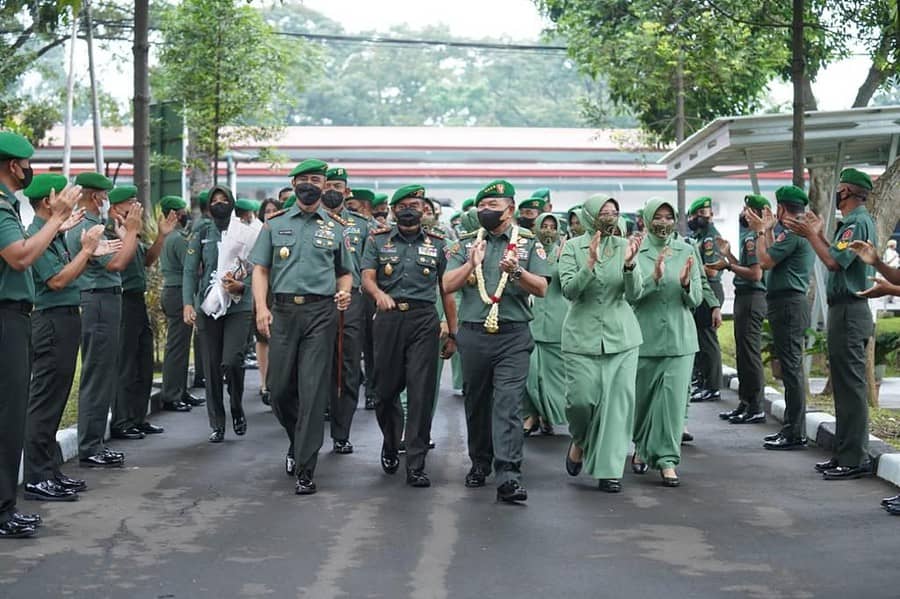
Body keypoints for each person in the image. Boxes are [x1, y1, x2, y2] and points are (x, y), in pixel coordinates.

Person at [250, 159, 353, 495]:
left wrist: (344, 292)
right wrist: (262, 307)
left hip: (321, 314)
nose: (311, 185)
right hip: (282, 313)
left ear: (325, 187)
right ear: (294, 184)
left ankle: (306, 467)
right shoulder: (274, 224)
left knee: (312, 390)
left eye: (317, 180)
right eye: (305, 179)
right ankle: (298, 438)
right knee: (278, 390)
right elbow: (260, 269)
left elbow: (345, 271)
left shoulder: (336, 228)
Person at [443, 179, 550, 503]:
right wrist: (470, 264)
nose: (486, 211)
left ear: (511, 209)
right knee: (477, 402)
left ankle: (508, 475)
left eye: (493, 206)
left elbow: (542, 288)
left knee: (508, 403)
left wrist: (516, 272)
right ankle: (480, 462)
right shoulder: (465, 244)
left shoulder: (528, 244)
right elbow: (447, 284)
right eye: (483, 206)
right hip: (475, 332)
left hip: (513, 335)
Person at [0, 132, 80, 538]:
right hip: (7, 317)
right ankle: (5, 508)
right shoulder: (2, 207)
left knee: (12, 412)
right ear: (14, 166)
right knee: (11, 413)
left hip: (17, 317)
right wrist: (55, 221)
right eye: (24, 163)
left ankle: (7, 506)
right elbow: (20, 257)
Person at [24, 174, 121, 502]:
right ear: (47, 202)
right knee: (45, 401)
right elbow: (57, 281)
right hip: (50, 321)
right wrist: (87, 252)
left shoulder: (51, 235)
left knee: (55, 400)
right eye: (61, 195)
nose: (69, 199)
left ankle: (49, 470)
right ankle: (37, 476)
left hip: (64, 319)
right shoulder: (37, 234)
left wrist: (86, 252)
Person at [362, 185, 457, 487]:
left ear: (423, 209)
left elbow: (447, 289)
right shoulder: (377, 241)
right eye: (402, 204)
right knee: (384, 391)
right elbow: (367, 277)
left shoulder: (439, 245)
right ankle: (391, 442)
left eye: (414, 204)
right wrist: (378, 294)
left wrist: (452, 330)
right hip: (388, 320)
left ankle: (416, 462)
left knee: (420, 393)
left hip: (423, 320)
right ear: (392, 210)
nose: (408, 209)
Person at [786, 169, 877, 479]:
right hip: (844, 311)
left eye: (840, 189)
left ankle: (855, 458)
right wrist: (818, 234)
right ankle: (844, 452)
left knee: (851, 388)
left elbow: (834, 262)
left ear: (849, 191)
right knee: (843, 386)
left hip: (851, 311)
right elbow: (835, 252)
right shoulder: (851, 224)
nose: (837, 194)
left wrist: (812, 235)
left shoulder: (857, 222)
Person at [558, 196, 642, 493]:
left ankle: (609, 470)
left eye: (614, 212)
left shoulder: (625, 246)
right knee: (581, 401)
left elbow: (635, 295)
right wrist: (589, 264)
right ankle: (580, 439)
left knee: (616, 407)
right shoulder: (571, 247)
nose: (609, 217)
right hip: (581, 336)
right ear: (590, 216)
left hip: (622, 338)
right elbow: (569, 290)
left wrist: (631, 265)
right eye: (603, 213)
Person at [68, 172, 141, 467]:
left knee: (102, 373)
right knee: (97, 375)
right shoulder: (89, 228)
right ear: (97, 196)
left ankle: (94, 442)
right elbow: (118, 263)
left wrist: (127, 234)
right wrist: (133, 231)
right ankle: (90, 446)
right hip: (98, 300)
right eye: (105, 195)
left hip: (105, 299)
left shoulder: (92, 224)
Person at [631, 197, 702, 487]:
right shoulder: (635, 251)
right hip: (643, 338)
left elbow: (695, 298)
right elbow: (630, 295)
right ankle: (641, 448)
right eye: (657, 217)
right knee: (643, 402)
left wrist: (686, 283)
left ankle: (668, 460)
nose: (663, 223)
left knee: (672, 404)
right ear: (647, 219)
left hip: (679, 340)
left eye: (668, 217)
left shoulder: (687, 250)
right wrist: (654, 278)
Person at [742, 187, 813, 447]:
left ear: (782, 209)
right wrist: (769, 230)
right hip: (785, 303)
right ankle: (791, 429)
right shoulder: (793, 232)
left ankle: (795, 432)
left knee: (791, 370)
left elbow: (764, 260)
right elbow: (773, 253)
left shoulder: (796, 232)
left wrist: (761, 230)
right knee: (789, 367)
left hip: (789, 304)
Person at [183, 185, 254, 443]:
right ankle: (218, 422)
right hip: (209, 305)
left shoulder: (244, 232)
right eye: (215, 200)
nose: (220, 204)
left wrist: (242, 285)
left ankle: (236, 407)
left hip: (239, 303)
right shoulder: (202, 231)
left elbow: (256, 267)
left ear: (232, 203)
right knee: (211, 365)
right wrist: (188, 303)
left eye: (225, 200)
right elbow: (190, 270)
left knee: (232, 360)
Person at [109, 186, 177, 440]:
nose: (136, 208)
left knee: (142, 362)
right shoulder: (113, 234)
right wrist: (130, 233)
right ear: (115, 209)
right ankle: (122, 420)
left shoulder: (131, 234)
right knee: (125, 364)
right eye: (130, 204)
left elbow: (147, 260)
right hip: (123, 300)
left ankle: (138, 417)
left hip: (137, 301)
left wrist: (161, 236)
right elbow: (119, 264)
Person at [322, 167, 368, 454]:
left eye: (338, 185)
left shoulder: (362, 226)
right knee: (316, 365)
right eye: (328, 184)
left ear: (346, 191)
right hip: (317, 299)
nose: (332, 190)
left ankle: (341, 432)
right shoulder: (309, 221)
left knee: (347, 367)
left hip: (351, 301)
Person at [716, 194, 770, 425]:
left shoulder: (754, 237)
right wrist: (728, 255)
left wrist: (728, 266)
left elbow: (755, 274)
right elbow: (745, 266)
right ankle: (745, 403)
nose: (742, 213)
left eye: (746, 209)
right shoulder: (748, 236)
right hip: (745, 297)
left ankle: (755, 405)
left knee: (749, 354)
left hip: (752, 297)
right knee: (743, 353)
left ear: (756, 213)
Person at [523, 212, 568, 436]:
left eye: (553, 226)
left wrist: (560, 259)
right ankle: (532, 414)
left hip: (557, 323)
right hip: (530, 320)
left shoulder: (567, 251)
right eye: (544, 226)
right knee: (530, 375)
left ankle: (547, 416)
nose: (548, 230)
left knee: (552, 378)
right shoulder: (530, 250)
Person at [159, 195, 200, 413]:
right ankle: (172, 395)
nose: (186, 214)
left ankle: (180, 390)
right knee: (177, 347)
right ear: (174, 214)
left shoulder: (173, 237)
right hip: (178, 294)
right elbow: (192, 268)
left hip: (173, 292)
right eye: (182, 210)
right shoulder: (177, 239)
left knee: (182, 346)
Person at [687, 197, 725, 402]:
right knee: (701, 339)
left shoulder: (710, 239)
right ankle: (703, 381)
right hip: (701, 291)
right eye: (694, 215)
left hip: (710, 289)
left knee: (709, 340)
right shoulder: (699, 236)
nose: (696, 219)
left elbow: (712, 270)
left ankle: (713, 386)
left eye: (701, 215)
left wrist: (688, 268)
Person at [253, 198, 282, 406]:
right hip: (263, 290)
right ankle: (264, 382)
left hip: (281, 289)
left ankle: (277, 382)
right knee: (263, 338)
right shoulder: (256, 233)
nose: (270, 213)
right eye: (267, 210)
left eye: (274, 210)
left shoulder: (283, 229)